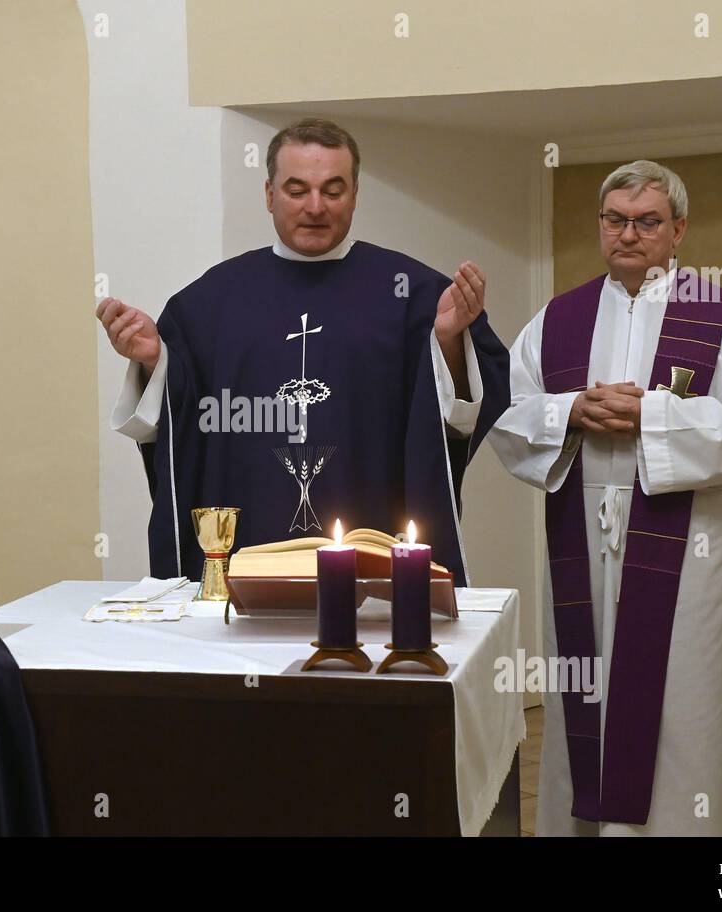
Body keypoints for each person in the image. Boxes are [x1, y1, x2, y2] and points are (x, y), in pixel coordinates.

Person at [489, 159, 722, 835]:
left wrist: (652, 418)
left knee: (684, 707)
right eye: (615, 220)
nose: (629, 234)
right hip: (581, 543)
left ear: (678, 228)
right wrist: (571, 412)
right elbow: (510, 421)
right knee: (584, 703)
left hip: (687, 552)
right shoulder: (556, 320)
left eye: (647, 221)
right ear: (601, 226)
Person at [97, 118, 509, 584]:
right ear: (269, 194)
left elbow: (459, 417)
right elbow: (177, 427)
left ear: (355, 194)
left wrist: (449, 342)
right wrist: (156, 362)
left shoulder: (416, 295)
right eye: (297, 190)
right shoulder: (207, 304)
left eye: (333, 190)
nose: (316, 207)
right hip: (245, 552)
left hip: (372, 555)